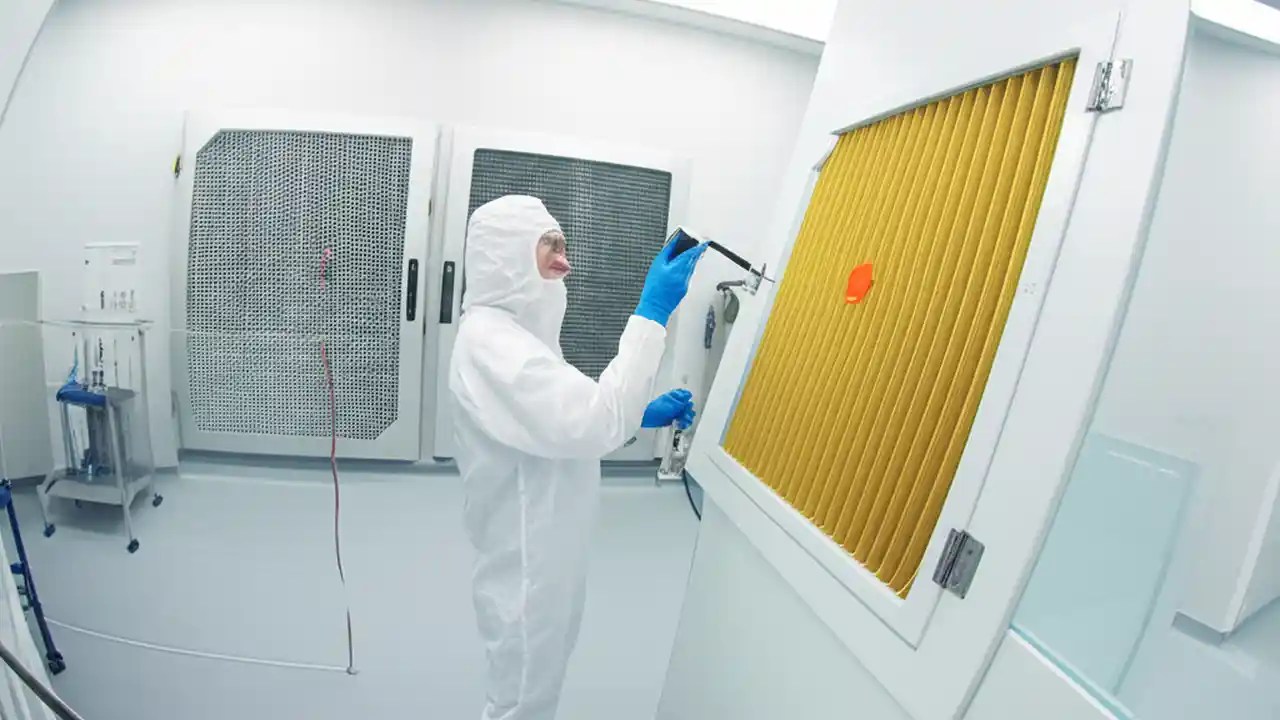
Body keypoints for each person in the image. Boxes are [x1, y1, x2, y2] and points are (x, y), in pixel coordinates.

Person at [449, 194, 705, 720]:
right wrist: (652, 313)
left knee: (537, 685)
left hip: (545, 550)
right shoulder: (492, 343)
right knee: (522, 699)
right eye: (550, 248)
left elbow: (565, 425)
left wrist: (638, 414)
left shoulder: (515, 337)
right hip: (526, 563)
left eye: (563, 246)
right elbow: (591, 422)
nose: (565, 262)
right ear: (507, 256)